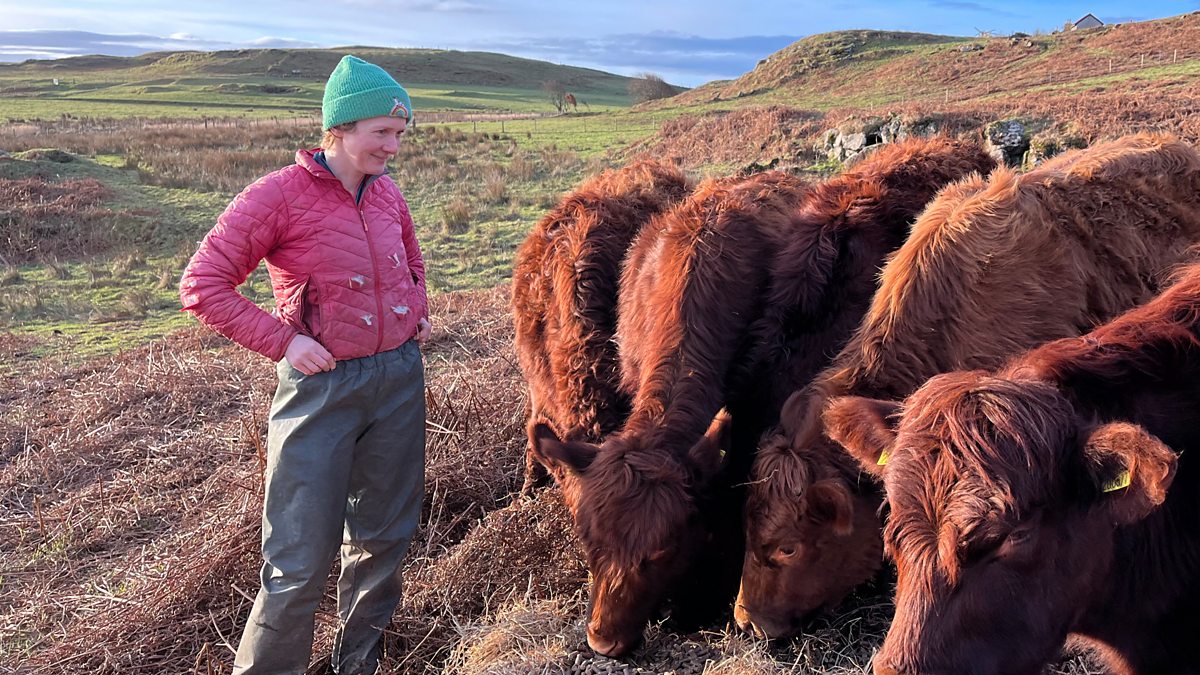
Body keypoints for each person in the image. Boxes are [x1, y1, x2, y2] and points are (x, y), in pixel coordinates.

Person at [179, 54, 431, 675]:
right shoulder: (277, 195)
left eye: (400, 133)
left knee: (383, 541)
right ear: (338, 129)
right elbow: (203, 284)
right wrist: (285, 342)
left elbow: (413, 261)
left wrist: (415, 312)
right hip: (322, 391)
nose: (393, 146)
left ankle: (359, 666)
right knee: (296, 558)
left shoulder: (387, 193)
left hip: (399, 381)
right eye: (382, 132)